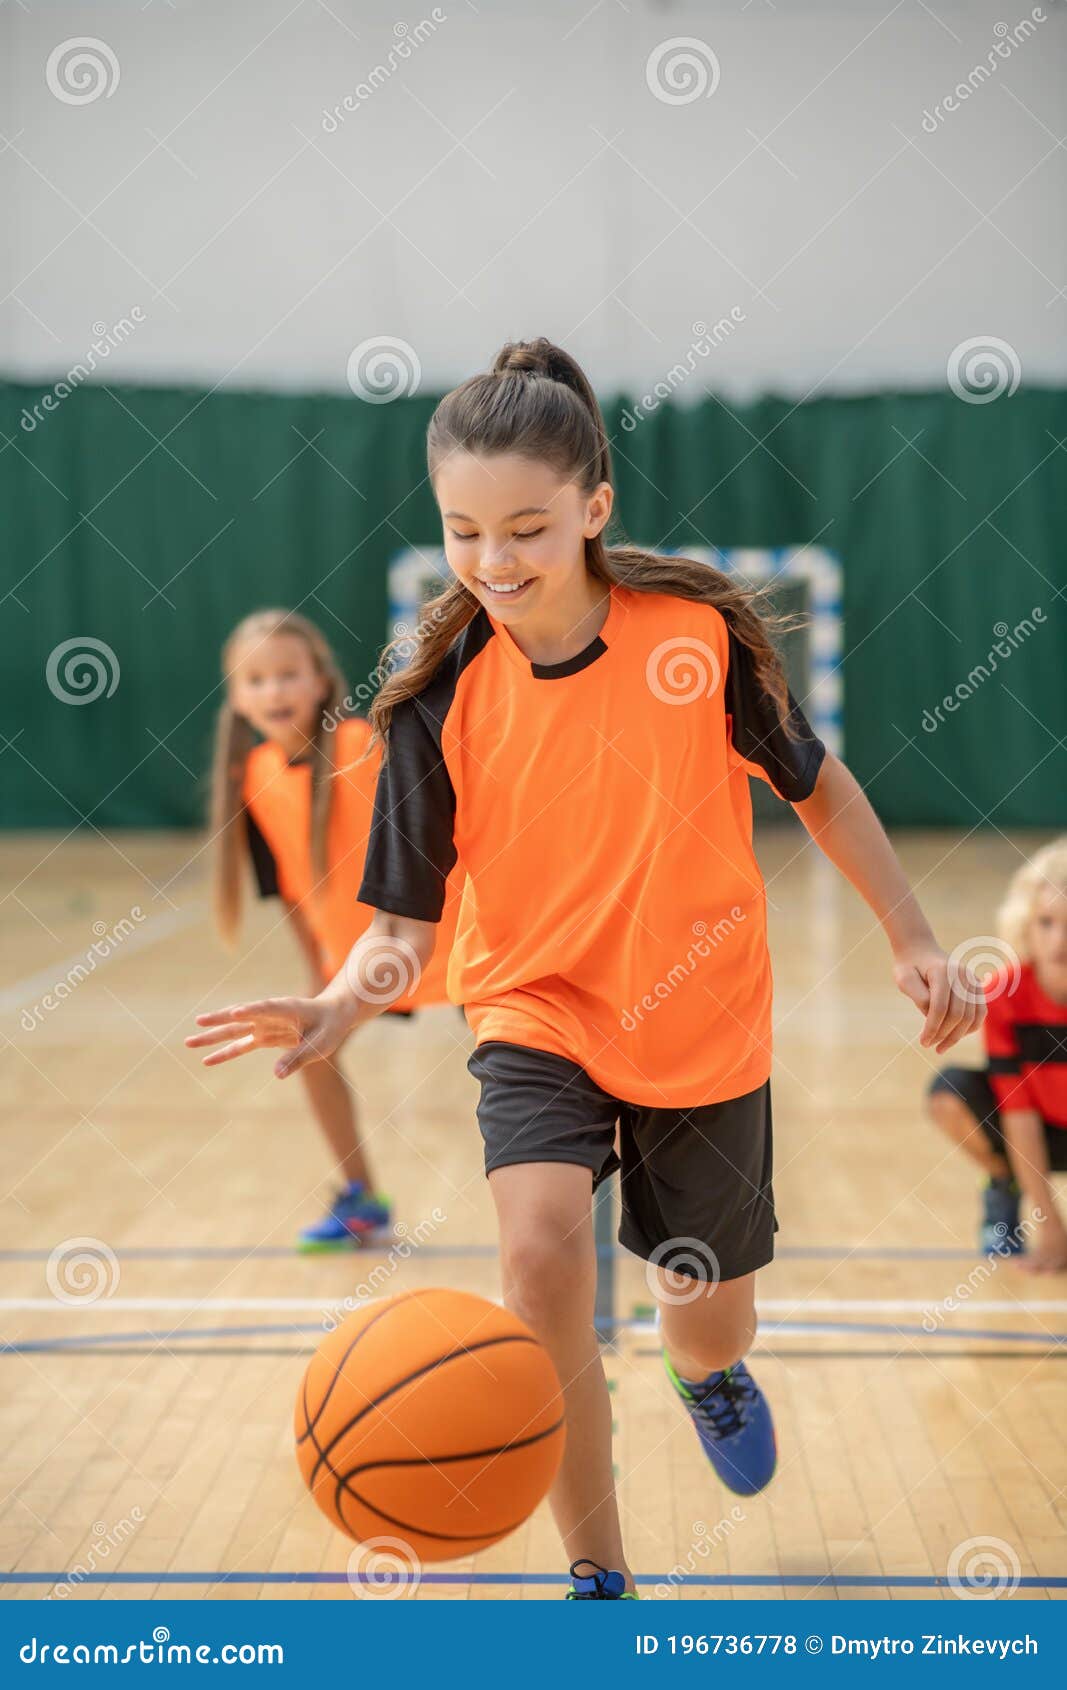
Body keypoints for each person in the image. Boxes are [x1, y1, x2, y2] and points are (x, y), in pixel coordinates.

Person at [188, 339, 980, 1597]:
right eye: (462, 532)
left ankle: (704, 1371)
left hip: (702, 1019)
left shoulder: (692, 640)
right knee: (540, 1255)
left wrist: (914, 936)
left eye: (525, 529)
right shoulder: (435, 699)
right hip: (533, 1008)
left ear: (592, 510)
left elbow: (817, 790)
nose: (492, 562)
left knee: (706, 1309)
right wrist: (341, 999)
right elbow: (400, 924)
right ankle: (595, 1567)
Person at [209, 608, 457, 1250]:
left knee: (533, 1078)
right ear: (236, 697)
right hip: (361, 966)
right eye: (256, 680)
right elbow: (291, 891)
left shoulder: (366, 744)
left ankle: (599, 1203)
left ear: (321, 681)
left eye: (288, 674)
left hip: (451, 945)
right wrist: (321, 978)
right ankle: (361, 1199)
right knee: (309, 1053)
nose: (274, 692)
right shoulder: (253, 778)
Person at [927, 840, 1067, 1269]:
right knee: (949, 1092)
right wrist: (1051, 1227)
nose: (1060, 940)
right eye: (1046, 922)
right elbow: (1017, 1111)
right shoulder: (1005, 993)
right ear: (1025, 925)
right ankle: (1003, 1185)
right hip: (1036, 1131)